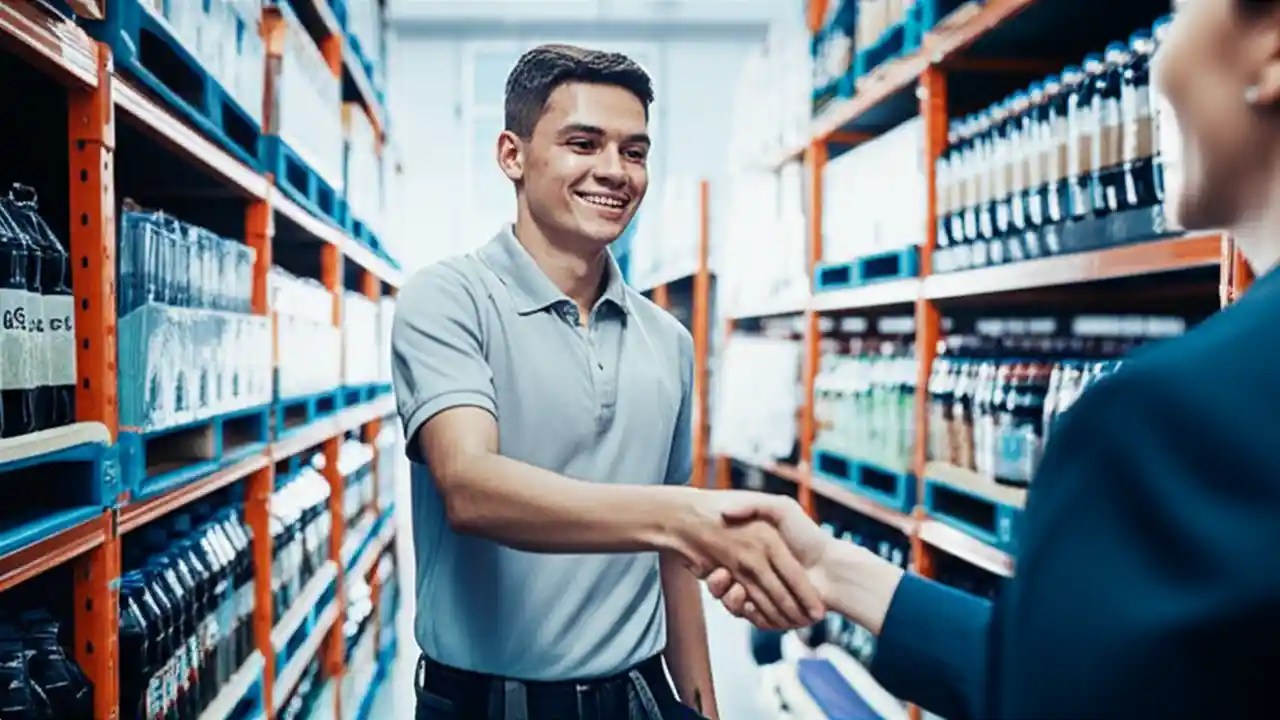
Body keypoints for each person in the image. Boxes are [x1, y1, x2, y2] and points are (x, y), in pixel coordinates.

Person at [709, 0, 1280, 717]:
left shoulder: (1167, 428)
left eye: (1180, 13)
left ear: (1270, 49)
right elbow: (1090, 669)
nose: (1161, 71)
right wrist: (830, 567)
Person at [391, 44, 824, 720]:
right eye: (583, 144)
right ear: (512, 155)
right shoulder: (447, 300)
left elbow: (673, 559)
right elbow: (470, 488)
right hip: (487, 705)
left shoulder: (668, 342)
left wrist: (702, 706)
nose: (614, 172)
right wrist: (684, 519)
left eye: (635, 151)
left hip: (639, 698)